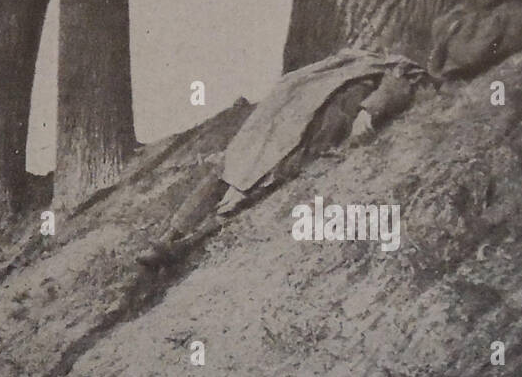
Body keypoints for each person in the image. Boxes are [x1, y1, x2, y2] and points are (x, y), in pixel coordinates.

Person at [136, 50, 429, 269]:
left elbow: (386, 95)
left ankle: (186, 243)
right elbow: (292, 86)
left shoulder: (390, 73)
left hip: (309, 136)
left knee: (258, 188)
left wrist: (368, 111)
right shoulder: (350, 60)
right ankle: (169, 236)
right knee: (228, 169)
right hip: (276, 128)